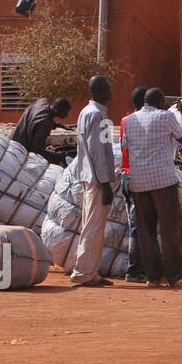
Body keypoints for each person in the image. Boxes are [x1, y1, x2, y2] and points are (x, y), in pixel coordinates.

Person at [122, 88, 182, 288]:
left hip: (139, 183)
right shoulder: (166, 116)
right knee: (171, 228)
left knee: (146, 232)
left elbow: (126, 147)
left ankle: (152, 277)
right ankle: (175, 276)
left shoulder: (128, 121)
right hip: (163, 181)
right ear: (160, 102)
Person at [69, 75, 116, 286]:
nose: (111, 90)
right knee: (93, 227)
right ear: (98, 91)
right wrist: (105, 183)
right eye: (107, 87)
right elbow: (98, 152)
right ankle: (84, 272)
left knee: (93, 225)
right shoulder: (97, 115)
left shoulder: (88, 113)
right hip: (97, 179)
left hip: (90, 176)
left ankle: (90, 271)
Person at [120, 86, 148, 283]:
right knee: (137, 225)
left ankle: (136, 266)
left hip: (126, 175)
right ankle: (133, 268)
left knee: (134, 223)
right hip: (138, 177)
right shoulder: (141, 121)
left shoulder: (124, 121)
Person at [11, 96, 72, 165]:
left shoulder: (42, 102)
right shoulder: (45, 124)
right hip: (19, 153)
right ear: (56, 111)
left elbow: (40, 118)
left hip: (13, 140)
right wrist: (58, 156)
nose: (67, 115)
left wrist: (60, 125)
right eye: (65, 112)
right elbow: (36, 151)